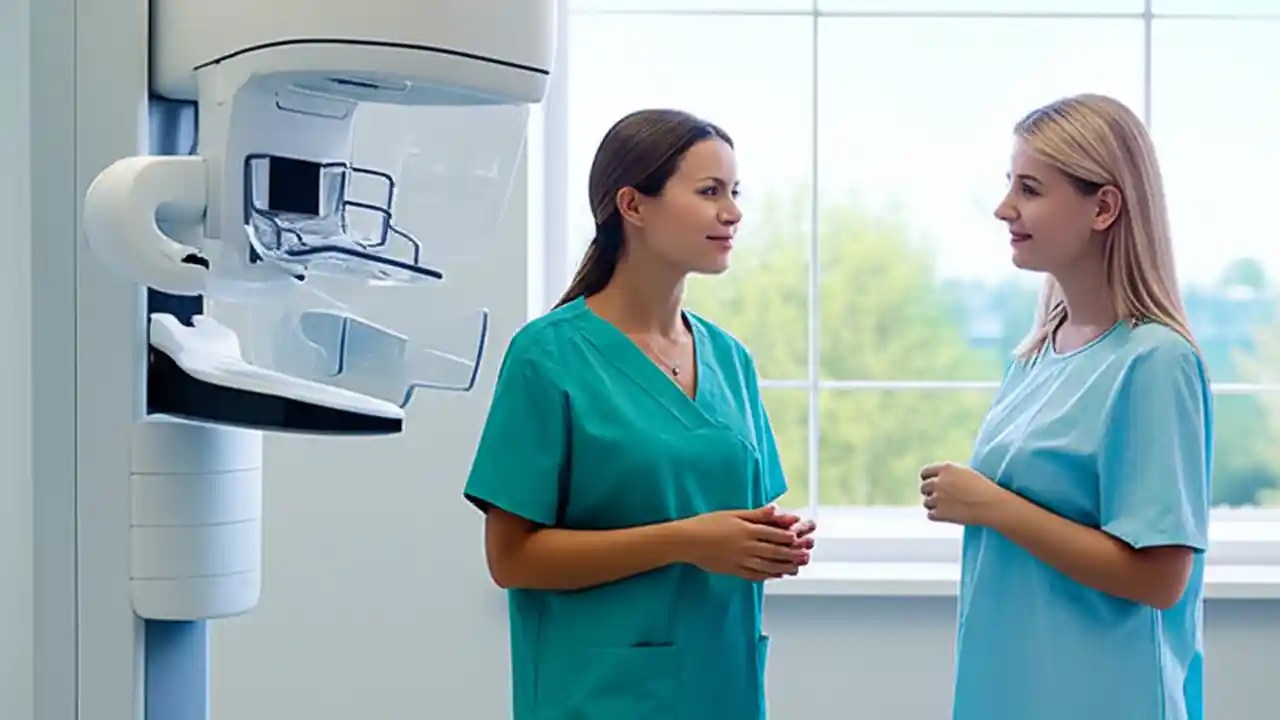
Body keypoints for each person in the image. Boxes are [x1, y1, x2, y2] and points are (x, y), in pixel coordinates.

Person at [463, 108, 816, 720]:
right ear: (633, 205)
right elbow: (512, 559)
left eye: (735, 193)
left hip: (720, 682)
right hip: (601, 690)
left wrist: (768, 541)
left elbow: (732, 517)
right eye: (709, 192)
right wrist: (685, 541)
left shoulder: (730, 358)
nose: (732, 213)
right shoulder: (548, 357)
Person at [919, 93, 1212, 720]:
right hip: (1007, 689)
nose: (1004, 209)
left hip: (1104, 697)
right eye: (1009, 185)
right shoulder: (1035, 354)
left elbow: (1159, 579)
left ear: (1104, 206)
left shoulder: (1156, 362)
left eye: (1029, 188)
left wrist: (991, 505)